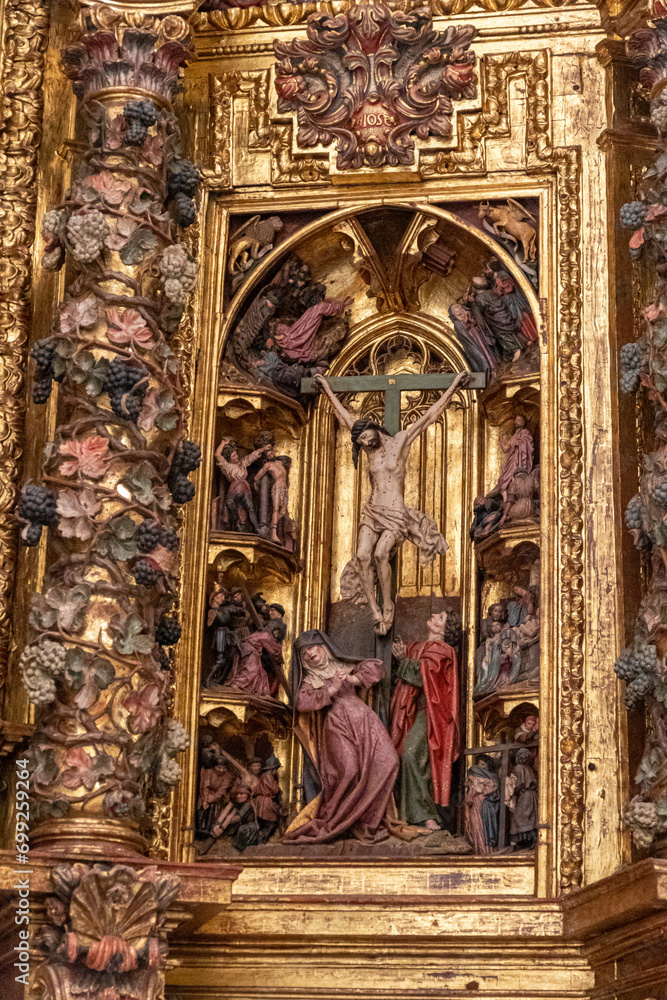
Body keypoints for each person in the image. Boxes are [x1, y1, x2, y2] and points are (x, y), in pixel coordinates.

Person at [313, 371, 470, 634]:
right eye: (360, 441)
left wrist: (454, 385)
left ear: (375, 427)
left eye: (365, 437)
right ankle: (374, 612)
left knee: (380, 553)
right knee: (363, 556)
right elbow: (344, 417)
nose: (364, 442)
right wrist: (327, 388)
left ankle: (388, 607)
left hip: (395, 512)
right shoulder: (369, 453)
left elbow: (430, 416)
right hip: (373, 510)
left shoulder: (400, 442)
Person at [282, 630, 399, 845]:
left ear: (324, 647)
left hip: (364, 720)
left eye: (311, 647)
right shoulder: (310, 680)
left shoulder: (342, 667)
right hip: (337, 724)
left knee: (389, 761)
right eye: (303, 653)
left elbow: (376, 667)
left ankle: (367, 818)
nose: (308, 654)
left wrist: (354, 678)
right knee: (349, 770)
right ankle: (339, 819)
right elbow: (301, 703)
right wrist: (330, 690)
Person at [389, 611, 459, 829]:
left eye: (441, 617)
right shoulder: (419, 647)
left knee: (411, 755)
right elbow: (407, 656)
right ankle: (405, 815)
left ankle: (426, 816)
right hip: (411, 711)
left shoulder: (443, 650)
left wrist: (403, 660)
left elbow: (422, 677)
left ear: (445, 630)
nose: (434, 615)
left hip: (432, 713)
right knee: (400, 756)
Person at [214, 438, 271, 533]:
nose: (236, 457)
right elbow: (217, 454)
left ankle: (257, 529)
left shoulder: (242, 463)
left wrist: (263, 449)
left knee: (250, 508)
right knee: (229, 504)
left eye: (236, 454)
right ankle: (237, 523)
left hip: (244, 487)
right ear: (228, 458)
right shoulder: (226, 465)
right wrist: (223, 443)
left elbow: (252, 456)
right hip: (235, 487)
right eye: (234, 456)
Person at [226, 627, 284, 698]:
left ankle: (264, 692)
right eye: (276, 633)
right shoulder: (267, 636)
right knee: (253, 670)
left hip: (246, 649)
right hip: (249, 650)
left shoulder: (263, 634)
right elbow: (273, 650)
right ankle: (237, 684)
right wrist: (280, 658)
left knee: (261, 672)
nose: (276, 634)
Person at [254, 447, 291, 544]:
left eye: (272, 452)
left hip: (284, 489)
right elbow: (257, 477)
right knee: (276, 510)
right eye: (268, 453)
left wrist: (273, 450)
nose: (271, 454)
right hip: (277, 487)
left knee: (282, 512)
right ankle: (274, 534)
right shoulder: (268, 465)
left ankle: (271, 526)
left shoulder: (279, 463)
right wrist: (257, 487)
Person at [464, 759, 500, 854]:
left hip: (479, 807)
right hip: (478, 806)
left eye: (483, 765)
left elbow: (473, 794)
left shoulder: (481, 779)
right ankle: (480, 850)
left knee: (480, 829)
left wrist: (470, 795)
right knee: (478, 829)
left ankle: (483, 851)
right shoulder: (490, 779)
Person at [495, 416, 534, 499]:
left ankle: (516, 498)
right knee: (504, 479)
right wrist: (501, 438)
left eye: (520, 420)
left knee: (516, 478)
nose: (517, 422)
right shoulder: (513, 435)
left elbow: (529, 444)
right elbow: (505, 449)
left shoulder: (525, 432)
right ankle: (505, 500)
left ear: (523, 422)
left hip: (519, 460)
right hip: (511, 460)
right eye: (516, 420)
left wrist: (521, 443)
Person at [507, 748, 538, 849]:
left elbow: (518, 784)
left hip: (525, 796)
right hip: (533, 796)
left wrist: (511, 789)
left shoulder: (519, 768)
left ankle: (513, 844)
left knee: (518, 818)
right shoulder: (529, 768)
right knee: (531, 818)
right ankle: (532, 841)